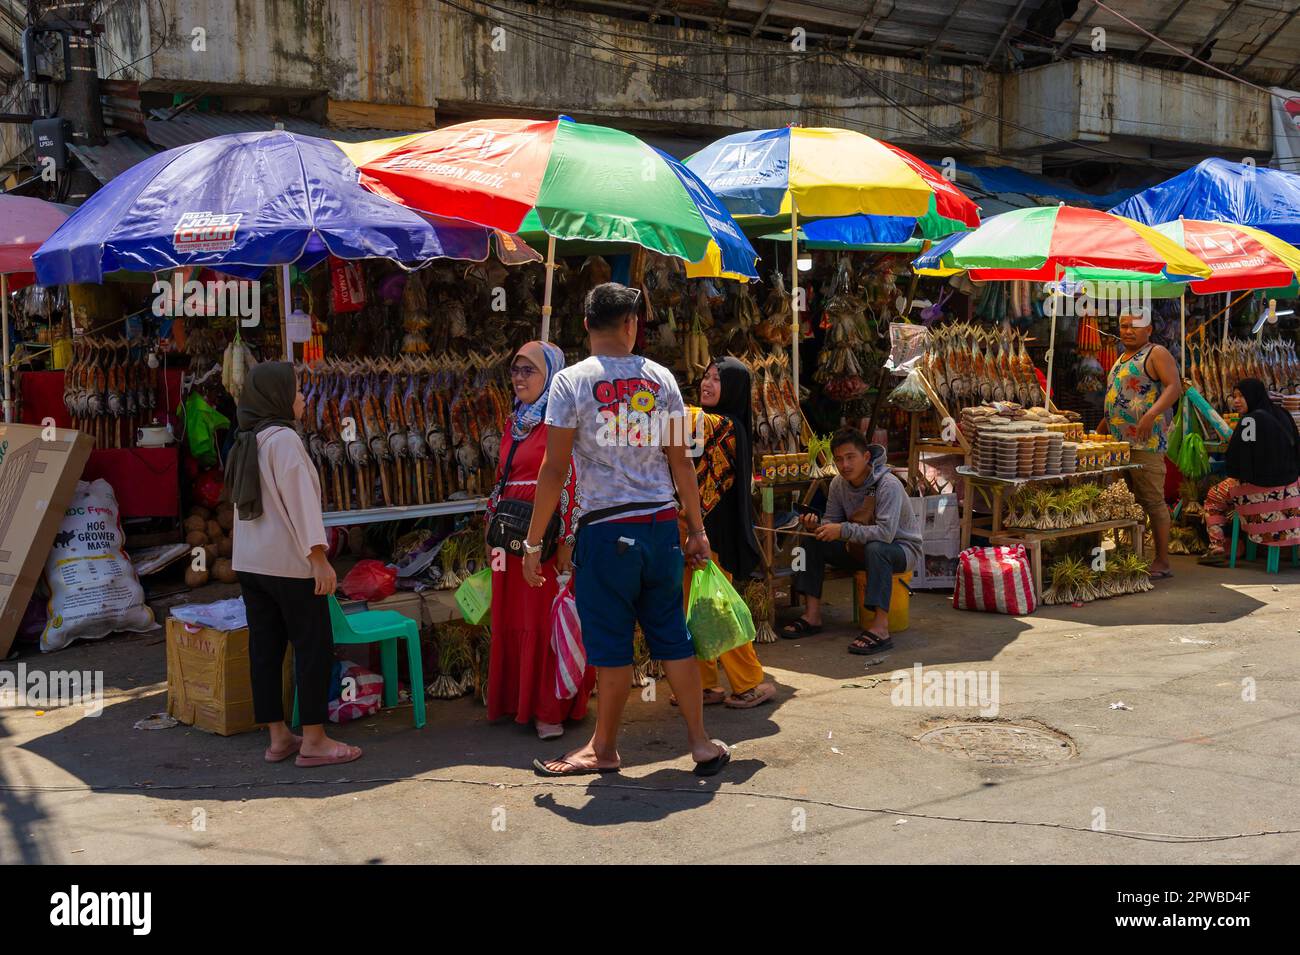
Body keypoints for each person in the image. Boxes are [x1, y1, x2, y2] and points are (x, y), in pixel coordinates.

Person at [521, 282, 729, 777]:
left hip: (606, 533)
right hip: (660, 527)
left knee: (611, 646)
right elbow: (682, 463)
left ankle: (605, 749)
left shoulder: (570, 383)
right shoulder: (663, 380)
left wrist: (533, 543)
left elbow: (553, 469)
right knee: (672, 638)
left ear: (587, 325)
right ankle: (700, 743)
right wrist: (696, 530)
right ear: (632, 324)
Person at [227, 362, 360, 768]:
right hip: (288, 565)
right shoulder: (283, 440)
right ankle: (315, 740)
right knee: (312, 647)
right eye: (297, 391)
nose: (302, 398)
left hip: (251, 564)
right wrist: (319, 559)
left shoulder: (247, 438)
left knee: (265, 649)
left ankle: (278, 737)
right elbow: (301, 505)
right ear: (278, 398)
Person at [485, 340, 595, 739]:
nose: (518, 378)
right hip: (508, 538)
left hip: (544, 538)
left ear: (550, 373)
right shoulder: (515, 422)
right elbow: (501, 480)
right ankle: (518, 702)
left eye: (528, 370)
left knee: (546, 618)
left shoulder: (559, 420)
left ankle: (549, 706)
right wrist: (489, 531)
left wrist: (566, 540)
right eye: (515, 369)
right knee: (513, 617)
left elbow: (570, 482)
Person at [677, 357, 775, 709]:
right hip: (689, 532)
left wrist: (647, 393)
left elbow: (679, 420)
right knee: (691, 609)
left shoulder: (726, 426)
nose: (707, 383)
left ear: (733, 389)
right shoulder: (714, 424)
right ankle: (704, 684)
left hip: (713, 534)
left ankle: (749, 682)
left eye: (717, 379)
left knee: (716, 609)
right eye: (705, 376)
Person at [782, 427, 922, 654]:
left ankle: (880, 628)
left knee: (877, 548)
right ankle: (812, 615)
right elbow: (833, 523)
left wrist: (842, 530)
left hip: (900, 550)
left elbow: (885, 534)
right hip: (858, 549)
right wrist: (818, 527)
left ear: (866, 457)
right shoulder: (838, 484)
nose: (844, 465)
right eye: (839, 459)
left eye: (850, 457)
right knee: (812, 541)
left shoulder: (888, 485)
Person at [1101, 312, 1181, 579]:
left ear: (1148, 328)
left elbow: (1174, 387)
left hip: (1146, 443)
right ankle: (1132, 552)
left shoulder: (1155, 353)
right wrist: (1100, 430)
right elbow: (1119, 398)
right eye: (1123, 326)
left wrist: (1150, 415)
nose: (1127, 331)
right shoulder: (1120, 359)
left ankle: (1162, 560)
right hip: (1119, 444)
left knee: (1152, 501)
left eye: (1134, 326)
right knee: (1129, 500)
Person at [1200, 378, 1300, 565]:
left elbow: (1241, 456)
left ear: (1253, 396)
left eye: (1242, 396)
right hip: (1289, 486)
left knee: (1213, 496)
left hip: (1258, 487)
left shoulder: (1249, 421)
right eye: (1234, 396)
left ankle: (1217, 546)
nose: (1236, 401)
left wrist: (1239, 478)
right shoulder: (1283, 414)